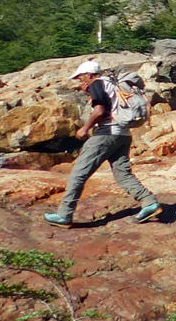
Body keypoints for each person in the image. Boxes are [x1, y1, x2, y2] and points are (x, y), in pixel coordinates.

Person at [44, 60, 161, 226]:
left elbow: (99, 111)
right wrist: (88, 94)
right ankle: (149, 203)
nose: (80, 81)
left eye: (80, 77)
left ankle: (64, 215)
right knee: (123, 174)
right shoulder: (111, 83)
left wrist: (85, 128)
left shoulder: (97, 83)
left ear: (89, 75)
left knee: (78, 174)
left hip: (106, 134)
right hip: (123, 135)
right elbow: (111, 105)